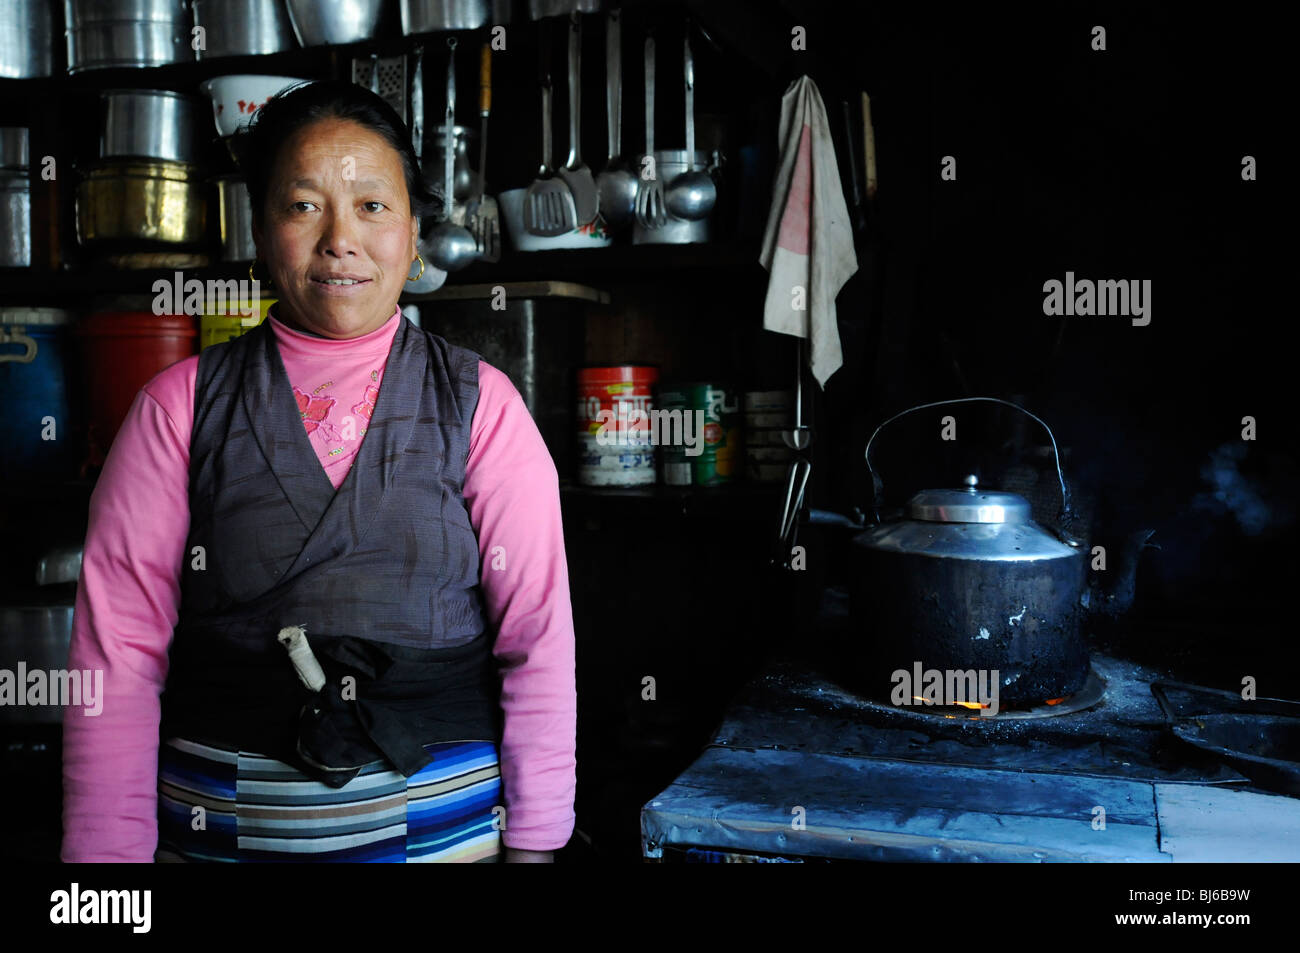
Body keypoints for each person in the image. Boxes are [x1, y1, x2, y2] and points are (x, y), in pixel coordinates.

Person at [60, 80, 576, 862]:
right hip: (219, 836)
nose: (341, 239)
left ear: (413, 233)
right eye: (303, 205)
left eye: (373, 206)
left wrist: (537, 844)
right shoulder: (179, 407)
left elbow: (536, 636)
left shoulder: (482, 406)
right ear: (264, 229)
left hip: (444, 837)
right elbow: (116, 655)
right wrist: (104, 870)